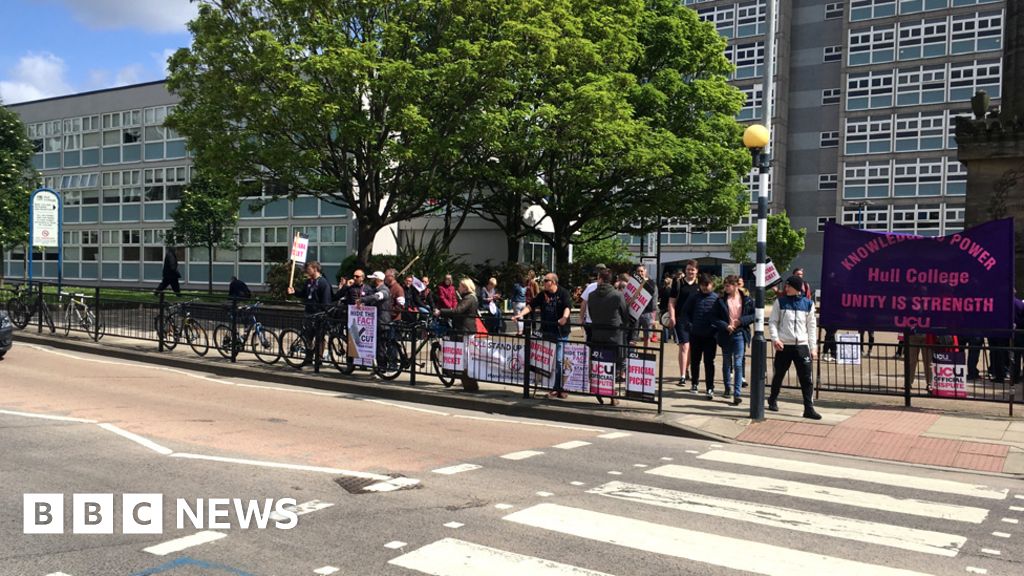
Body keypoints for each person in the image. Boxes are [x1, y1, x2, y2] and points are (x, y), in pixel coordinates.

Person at [512, 273, 573, 399]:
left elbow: (568, 307)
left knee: (559, 360)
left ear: (554, 282)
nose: (544, 282)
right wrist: (520, 315)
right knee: (546, 360)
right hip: (546, 331)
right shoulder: (542, 294)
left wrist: (564, 318)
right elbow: (531, 305)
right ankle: (551, 387)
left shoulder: (563, 293)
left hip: (560, 331)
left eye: (546, 280)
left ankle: (559, 387)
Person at [768, 275, 821, 420]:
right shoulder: (780, 302)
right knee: (779, 374)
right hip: (784, 345)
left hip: (802, 346)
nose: (786, 288)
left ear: (797, 288)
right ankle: (772, 399)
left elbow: (811, 327)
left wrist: (813, 347)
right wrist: (775, 339)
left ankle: (809, 408)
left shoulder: (808, 304)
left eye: (789, 286)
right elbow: (773, 322)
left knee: (806, 378)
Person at [586, 268, 628, 406]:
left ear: (599, 279)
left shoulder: (591, 295)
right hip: (614, 335)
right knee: (613, 366)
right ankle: (611, 394)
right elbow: (624, 313)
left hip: (597, 333)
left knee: (599, 365)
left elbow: (591, 314)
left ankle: (599, 389)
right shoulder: (617, 295)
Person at [712, 275, 754, 405]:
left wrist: (741, 321)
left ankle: (737, 393)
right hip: (726, 334)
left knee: (738, 363)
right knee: (726, 363)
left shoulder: (746, 299)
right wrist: (726, 326)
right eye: (725, 285)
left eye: (728, 285)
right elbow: (714, 317)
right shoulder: (720, 300)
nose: (725, 288)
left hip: (740, 334)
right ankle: (727, 388)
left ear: (735, 285)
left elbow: (753, 315)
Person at [434, 278, 481, 391]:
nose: (458, 288)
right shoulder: (471, 297)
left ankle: (470, 384)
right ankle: (468, 382)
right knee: (466, 356)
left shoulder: (469, 298)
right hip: (466, 329)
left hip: (466, 330)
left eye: (460, 286)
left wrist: (441, 312)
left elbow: (458, 310)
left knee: (466, 357)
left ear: (465, 287)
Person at [287, 261, 334, 365]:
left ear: (315, 269)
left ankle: (319, 358)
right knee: (309, 337)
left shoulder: (323, 283)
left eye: (308, 269)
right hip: (308, 313)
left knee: (320, 337)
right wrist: (294, 292)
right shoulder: (308, 281)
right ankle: (309, 357)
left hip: (319, 315)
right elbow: (303, 294)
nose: (307, 271)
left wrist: (324, 312)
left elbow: (326, 301)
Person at [682, 273, 719, 398]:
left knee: (709, 362)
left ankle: (710, 387)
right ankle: (694, 383)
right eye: (702, 285)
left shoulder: (716, 298)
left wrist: (715, 329)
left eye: (707, 285)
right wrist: (689, 326)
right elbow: (685, 312)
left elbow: (722, 316)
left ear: (712, 285)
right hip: (696, 334)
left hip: (710, 336)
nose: (704, 287)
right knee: (695, 361)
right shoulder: (694, 297)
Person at [666, 260, 699, 388]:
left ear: (697, 271)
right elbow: (671, 301)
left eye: (692, 269)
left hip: (696, 320)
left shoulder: (699, 284)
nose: (690, 272)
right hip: (681, 319)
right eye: (688, 269)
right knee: (684, 347)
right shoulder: (678, 283)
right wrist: (672, 317)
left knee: (691, 348)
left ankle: (686, 368)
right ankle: (682, 376)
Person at [579, 264, 606, 341]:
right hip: (590, 321)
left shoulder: (610, 288)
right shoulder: (591, 286)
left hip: (603, 322)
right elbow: (584, 302)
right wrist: (581, 318)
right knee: (590, 344)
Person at [633, 265, 657, 346]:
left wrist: (653, 315)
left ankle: (645, 356)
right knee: (633, 336)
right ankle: (632, 355)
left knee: (647, 337)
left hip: (647, 312)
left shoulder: (651, 283)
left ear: (645, 271)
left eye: (641, 271)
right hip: (635, 312)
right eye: (638, 271)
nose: (640, 273)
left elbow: (654, 299)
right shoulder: (633, 282)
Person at [658, 275, 674, 343]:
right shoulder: (672, 290)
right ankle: (671, 336)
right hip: (670, 308)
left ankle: (665, 338)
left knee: (664, 323)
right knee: (670, 322)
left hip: (663, 307)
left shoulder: (662, 289)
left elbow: (659, 297)